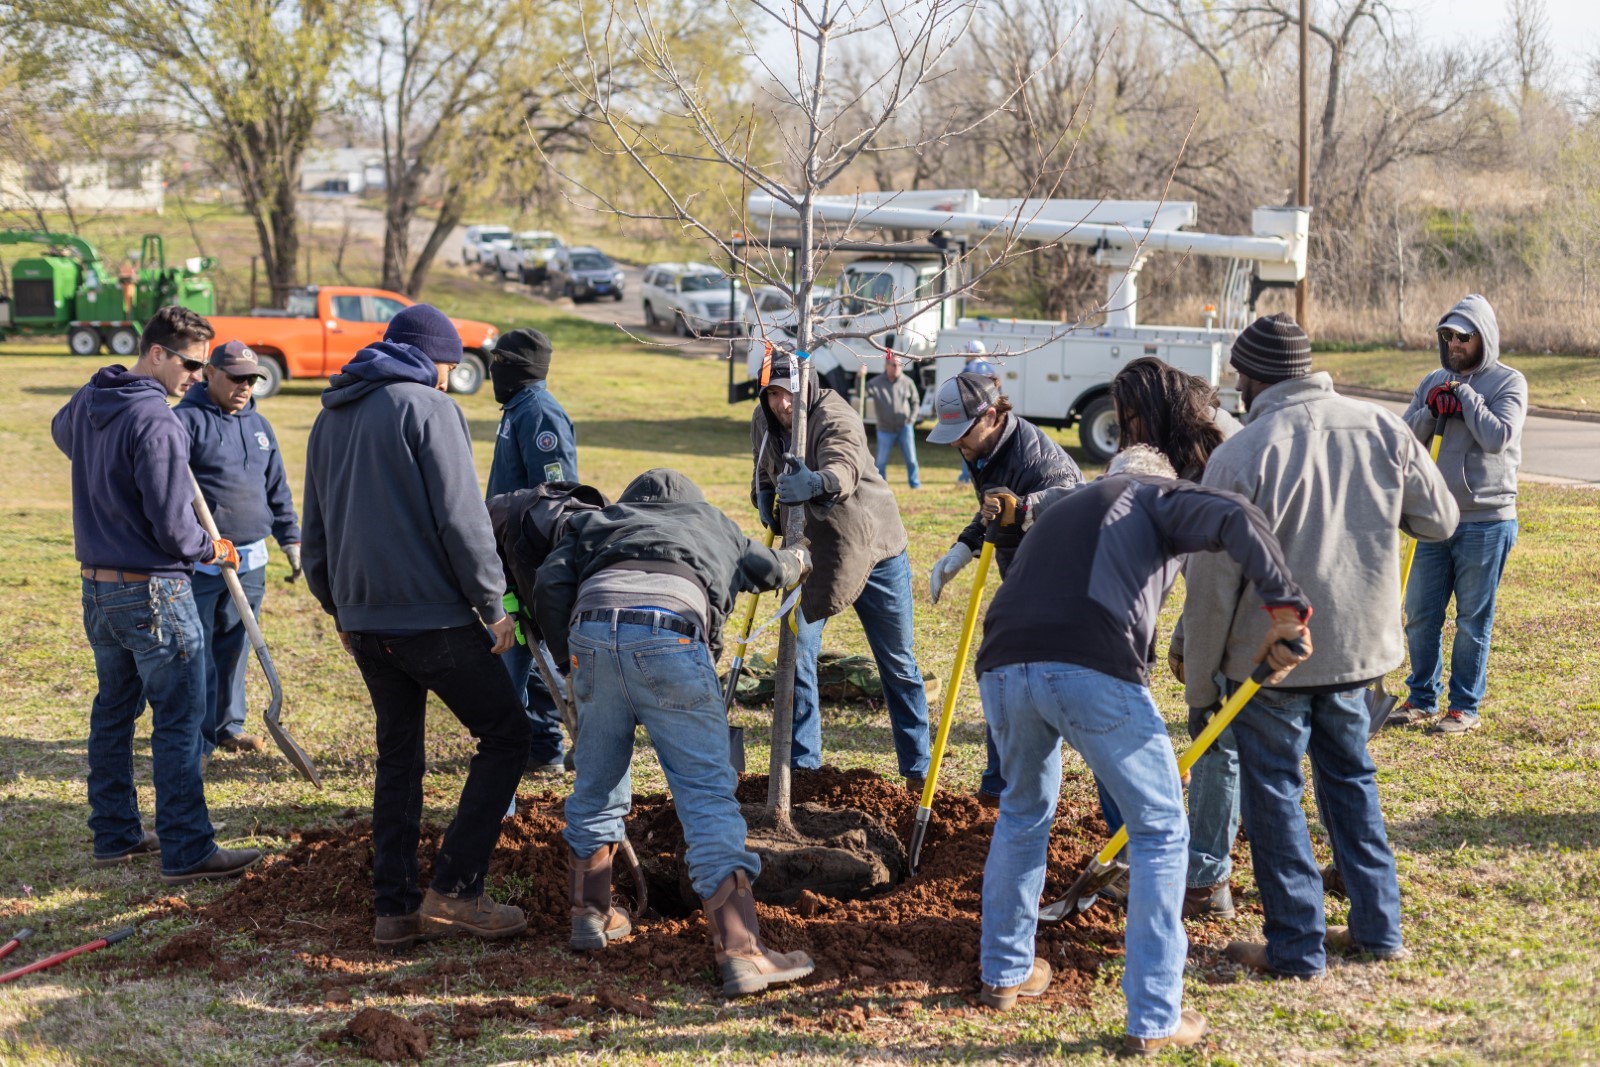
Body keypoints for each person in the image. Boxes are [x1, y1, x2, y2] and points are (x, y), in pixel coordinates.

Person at [973, 444, 1312, 1056]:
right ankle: (1155, 1015)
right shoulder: (1153, 494)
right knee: (1159, 828)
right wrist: (1285, 609)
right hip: (1088, 664)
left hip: (1001, 667)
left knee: (1022, 813)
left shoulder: (1065, 507)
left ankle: (1005, 973)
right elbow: (1235, 513)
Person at [1181, 313, 1459, 978]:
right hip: (1360, 652)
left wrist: (1200, 687)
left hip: (1268, 661)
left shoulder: (1242, 452)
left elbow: (1212, 584)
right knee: (1351, 784)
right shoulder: (1382, 427)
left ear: (1253, 380)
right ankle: (1378, 928)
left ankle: (1297, 949)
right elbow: (1440, 517)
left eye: (1240, 379)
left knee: (1275, 798)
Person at [534, 468, 816, 997]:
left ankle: (590, 916)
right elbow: (769, 568)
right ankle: (741, 951)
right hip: (669, 634)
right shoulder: (710, 521)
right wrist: (800, 558)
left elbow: (550, 582)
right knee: (707, 795)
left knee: (595, 783)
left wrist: (571, 663)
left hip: (591, 632)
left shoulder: (599, 522)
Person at [301, 304, 531, 950]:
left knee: (398, 756)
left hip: (367, 624)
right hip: (433, 620)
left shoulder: (330, 413)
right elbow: (463, 521)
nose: (447, 381)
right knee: (508, 734)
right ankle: (457, 889)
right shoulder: (430, 411)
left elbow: (313, 532)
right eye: (449, 369)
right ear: (432, 361)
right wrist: (494, 605)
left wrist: (336, 607)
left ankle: (395, 909)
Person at [52, 306, 262, 885]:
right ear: (157, 354)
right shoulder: (157, 421)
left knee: (114, 710)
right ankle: (188, 848)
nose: (198, 375)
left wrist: (108, 473)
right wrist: (212, 548)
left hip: (98, 588)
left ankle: (115, 834)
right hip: (153, 592)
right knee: (179, 717)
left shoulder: (95, 400)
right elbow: (175, 529)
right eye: (191, 363)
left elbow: (59, 428)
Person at [750, 357, 931, 788]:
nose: (782, 403)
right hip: (810, 550)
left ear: (807, 386)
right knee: (796, 657)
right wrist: (762, 491)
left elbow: (844, 465)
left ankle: (918, 772)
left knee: (897, 661)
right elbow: (763, 464)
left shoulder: (835, 414)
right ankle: (805, 772)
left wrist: (815, 483)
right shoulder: (763, 418)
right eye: (773, 393)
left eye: (788, 392)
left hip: (873, 544)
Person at [1106, 357, 1242, 918]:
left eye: (1130, 418)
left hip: (1251, 596)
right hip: (1229, 588)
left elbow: (1214, 565)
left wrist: (1191, 639)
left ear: (1154, 411)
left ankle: (1207, 880)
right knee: (1234, 733)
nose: (1127, 430)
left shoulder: (1216, 449)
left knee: (1213, 727)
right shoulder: (1183, 447)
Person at [926, 371, 1082, 803]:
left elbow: (1077, 494)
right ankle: (998, 784)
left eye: (963, 433)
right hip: (1020, 571)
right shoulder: (981, 447)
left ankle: (1003, 787)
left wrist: (1026, 507)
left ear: (991, 416)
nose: (958, 443)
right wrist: (963, 548)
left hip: (1055, 579)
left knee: (1010, 672)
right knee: (1001, 670)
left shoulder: (1034, 457)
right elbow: (994, 507)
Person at [1392, 295, 1526, 735]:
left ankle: (1464, 708)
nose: (1453, 344)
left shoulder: (1509, 383)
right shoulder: (1433, 379)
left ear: (1482, 338)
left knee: (1472, 620)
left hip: (1486, 520)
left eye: (1461, 337)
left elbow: (1498, 437)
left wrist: (1467, 399)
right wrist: (1430, 410)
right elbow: (1402, 441)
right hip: (1434, 518)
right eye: (1446, 335)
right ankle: (1421, 698)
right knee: (1421, 613)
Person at [174, 340, 301, 758]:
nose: (245, 386)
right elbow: (170, 495)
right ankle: (196, 735)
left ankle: (228, 725)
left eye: (252, 378)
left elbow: (276, 488)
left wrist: (291, 540)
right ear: (210, 373)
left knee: (235, 646)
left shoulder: (260, 427)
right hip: (203, 560)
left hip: (251, 559)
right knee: (196, 650)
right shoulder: (183, 422)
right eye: (236, 377)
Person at [484, 327, 578, 774]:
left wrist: (533, 562)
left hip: (529, 555)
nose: (491, 372)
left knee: (522, 650)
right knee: (522, 646)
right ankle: (540, 747)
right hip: (507, 550)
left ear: (514, 369)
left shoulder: (539, 412)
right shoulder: (516, 409)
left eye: (498, 363)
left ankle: (533, 745)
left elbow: (557, 496)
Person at [865, 354, 921, 488]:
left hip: (904, 427)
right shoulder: (875, 383)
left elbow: (915, 402)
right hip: (885, 429)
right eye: (894, 365)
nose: (897, 368)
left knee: (911, 460)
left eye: (900, 365)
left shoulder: (907, 382)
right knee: (881, 462)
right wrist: (860, 378)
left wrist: (911, 420)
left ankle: (915, 484)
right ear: (886, 365)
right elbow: (861, 393)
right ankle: (881, 486)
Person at [953, 340, 996, 483]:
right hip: (988, 412)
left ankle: (966, 477)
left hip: (972, 413)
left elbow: (961, 391)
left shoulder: (969, 368)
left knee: (968, 445)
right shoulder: (990, 367)